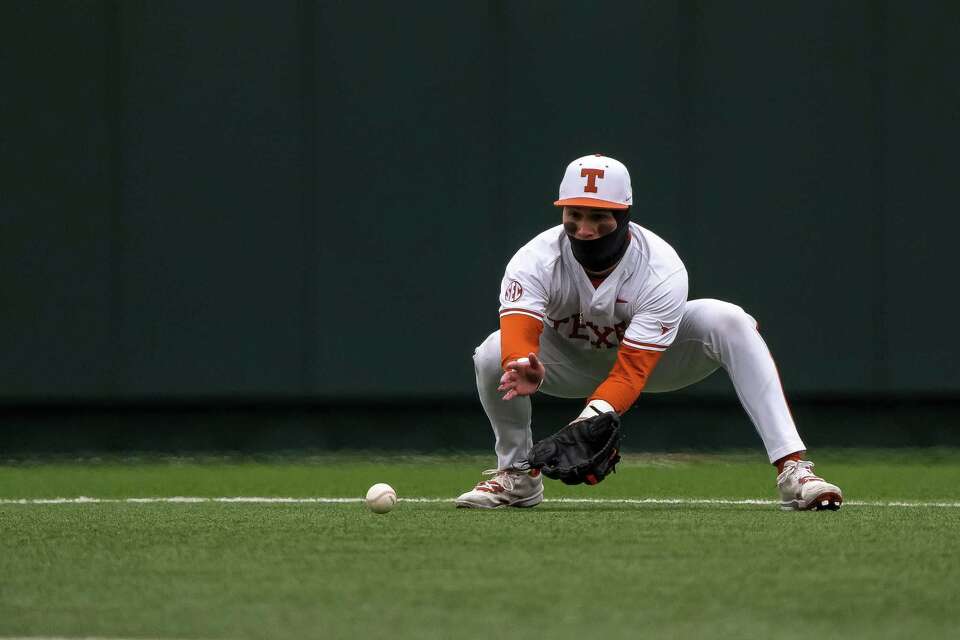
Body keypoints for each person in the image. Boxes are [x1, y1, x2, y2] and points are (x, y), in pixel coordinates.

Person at [455, 154, 843, 511]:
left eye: (599, 216)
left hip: (654, 364)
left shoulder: (661, 268)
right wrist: (520, 362)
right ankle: (518, 475)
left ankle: (793, 469)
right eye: (575, 214)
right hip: (566, 363)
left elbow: (630, 372)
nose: (585, 229)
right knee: (492, 352)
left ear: (624, 214)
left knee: (728, 319)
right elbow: (519, 332)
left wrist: (584, 424)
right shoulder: (535, 259)